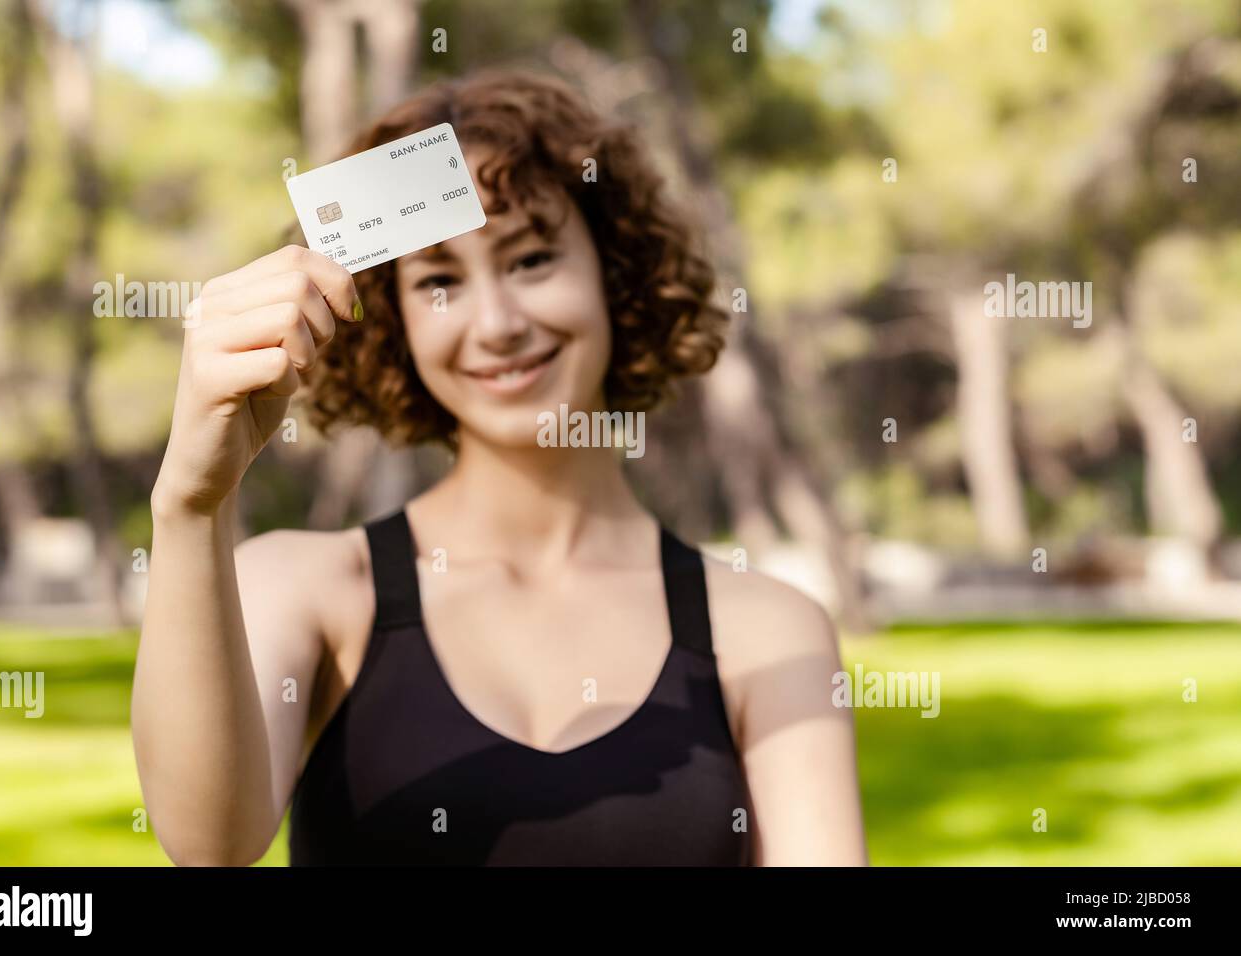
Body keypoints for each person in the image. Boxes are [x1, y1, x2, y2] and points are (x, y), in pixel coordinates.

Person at [132, 68, 868, 866]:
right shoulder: (304, 589)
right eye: (440, 280)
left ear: (615, 277)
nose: (496, 323)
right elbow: (208, 845)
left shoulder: (766, 629)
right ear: (392, 319)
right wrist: (192, 508)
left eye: (531, 260)